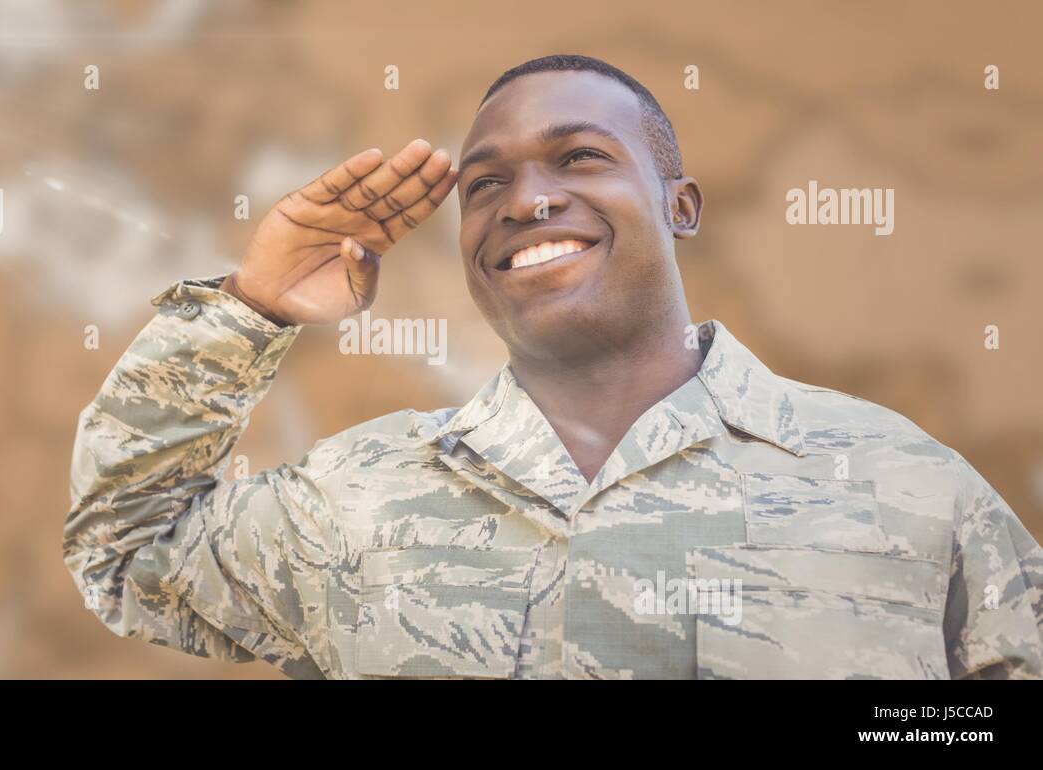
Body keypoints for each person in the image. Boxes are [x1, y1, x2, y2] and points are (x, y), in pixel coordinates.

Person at [63, 54, 1043, 679]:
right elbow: (126, 549)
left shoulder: (904, 484)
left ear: (681, 204)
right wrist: (251, 307)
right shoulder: (349, 500)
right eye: (483, 184)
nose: (525, 199)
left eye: (577, 158)